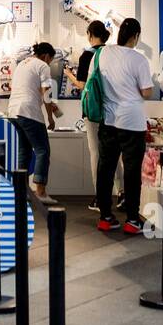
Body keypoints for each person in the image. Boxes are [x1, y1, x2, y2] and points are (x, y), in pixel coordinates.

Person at [94, 17, 155, 233]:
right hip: (132, 121)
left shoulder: (103, 53)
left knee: (106, 168)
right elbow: (147, 91)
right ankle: (132, 219)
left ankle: (105, 216)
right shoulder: (139, 60)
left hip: (108, 120)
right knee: (131, 171)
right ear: (136, 36)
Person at [65, 20, 110, 211]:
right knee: (113, 152)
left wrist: (68, 75)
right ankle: (122, 192)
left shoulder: (87, 55)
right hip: (111, 110)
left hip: (92, 110)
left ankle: (100, 197)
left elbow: (82, 85)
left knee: (95, 152)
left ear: (90, 34)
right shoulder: (110, 53)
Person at [8, 41, 60, 199]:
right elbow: (46, 93)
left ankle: (21, 192)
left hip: (13, 111)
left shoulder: (22, 64)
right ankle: (41, 192)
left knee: (24, 152)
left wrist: (53, 108)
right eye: (50, 60)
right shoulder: (43, 66)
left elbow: (30, 88)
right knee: (42, 151)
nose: (50, 63)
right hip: (29, 112)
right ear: (46, 56)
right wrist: (50, 117)